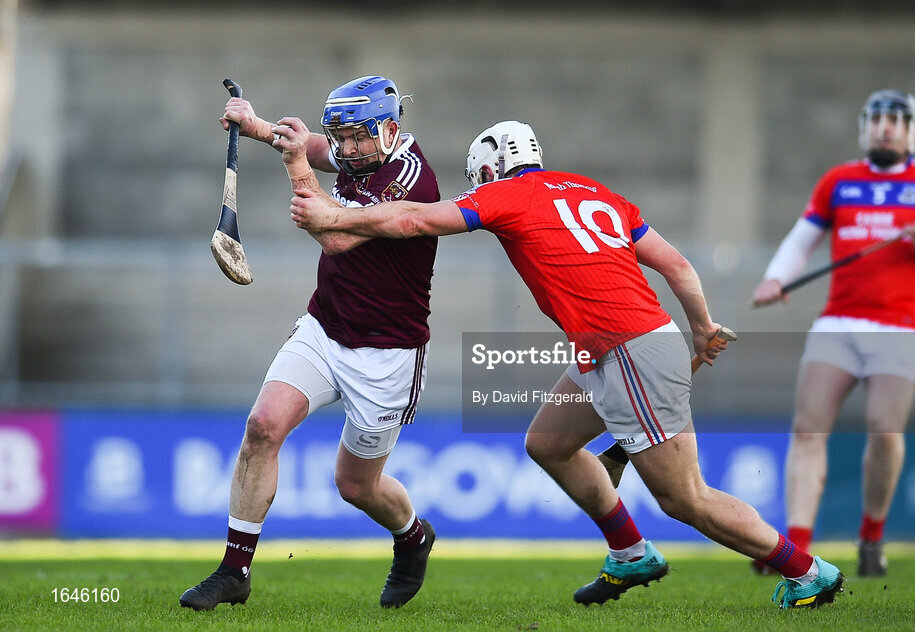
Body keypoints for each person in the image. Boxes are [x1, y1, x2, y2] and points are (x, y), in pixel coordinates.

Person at [289, 120, 846, 610]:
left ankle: (807, 572)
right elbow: (676, 264)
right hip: (618, 346)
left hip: (629, 349)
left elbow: (414, 221)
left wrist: (336, 216)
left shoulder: (508, 193)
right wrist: (700, 326)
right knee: (549, 442)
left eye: (479, 177)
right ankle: (630, 552)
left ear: (490, 167)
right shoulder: (596, 192)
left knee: (685, 498)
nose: (477, 186)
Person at [180, 75, 440, 611]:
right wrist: (257, 126)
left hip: (388, 353)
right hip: (325, 328)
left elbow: (335, 234)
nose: (348, 149)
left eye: (359, 137)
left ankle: (413, 536)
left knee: (356, 486)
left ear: (390, 130)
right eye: (342, 137)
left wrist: (295, 165)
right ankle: (234, 570)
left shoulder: (411, 179)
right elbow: (321, 149)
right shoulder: (358, 150)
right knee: (262, 426)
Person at [751, 90, 915, 576]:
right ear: (864, 128)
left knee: (884, 430)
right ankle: (796, 551)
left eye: (896, 120)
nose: (885, 127)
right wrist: (776, 278)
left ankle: (871, 538)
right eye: (877, 118)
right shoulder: (838, 181)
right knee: (808, 429)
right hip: (837, 323)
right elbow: (801, 240)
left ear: (913, 132)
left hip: (899, 329)